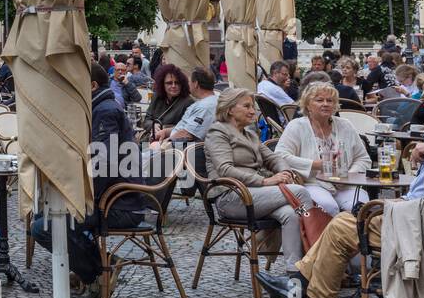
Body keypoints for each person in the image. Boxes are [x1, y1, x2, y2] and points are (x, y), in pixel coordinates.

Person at [257, 77, 424, 298]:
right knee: (344, 221)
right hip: (411, 214)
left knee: (341, 225)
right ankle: (305, 293)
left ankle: (304, 294)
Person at [30, 62, 147, 298]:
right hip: (110, 198)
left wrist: (75, 194)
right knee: (44, 217)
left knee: (44, 226)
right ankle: (101, 264)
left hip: (119, 203)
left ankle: (97, 271)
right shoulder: (97, 108)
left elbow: (103, 166)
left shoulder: (105, 112)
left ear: (92, 85)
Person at [205, 87, 314, 273]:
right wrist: (264, 181)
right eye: (247, 106)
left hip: (257, 196)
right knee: (301, 193)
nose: (252, 110)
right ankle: (315, 262)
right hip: (232, 197)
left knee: (291, 213)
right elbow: (225, 170)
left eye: (253, 106)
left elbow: (274, 158)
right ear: (230, 109)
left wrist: (285, 172)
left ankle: (295, 272)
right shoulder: (217, 133)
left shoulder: (249, 134)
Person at [275, 81, 372, 215]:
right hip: (313, 183)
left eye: (330, 100)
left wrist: (349, 175)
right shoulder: (297, 126)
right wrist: (315, 165)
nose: (326, 104)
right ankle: (327, 236)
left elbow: (362, 158)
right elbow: (280, 156)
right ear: (308, 105)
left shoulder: (345, 125)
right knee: (328, 207)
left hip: (345, 184)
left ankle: (353, 236)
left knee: (361, 207)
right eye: (319, 100)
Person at [154, 67, 217, 142]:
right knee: (141, 147)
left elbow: (188, 135)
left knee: (142, 149)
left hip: (181, 149)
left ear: (196, 84)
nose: (188, 84)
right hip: (177, 144)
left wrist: (164, 143)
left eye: (189, 82)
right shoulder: (206, 101)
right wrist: (165, 132)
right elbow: (186, 128)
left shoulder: (204, 106)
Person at [145, 64, 191, 135]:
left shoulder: (188, 102)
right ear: (162, 84)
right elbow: (147, 119)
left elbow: (187, 128)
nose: (173, 86)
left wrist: (166, 130)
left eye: (177, 83)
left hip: (173, 141)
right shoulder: (157, 97)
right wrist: (152, 125)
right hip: (153, 138)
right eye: (169, 83)